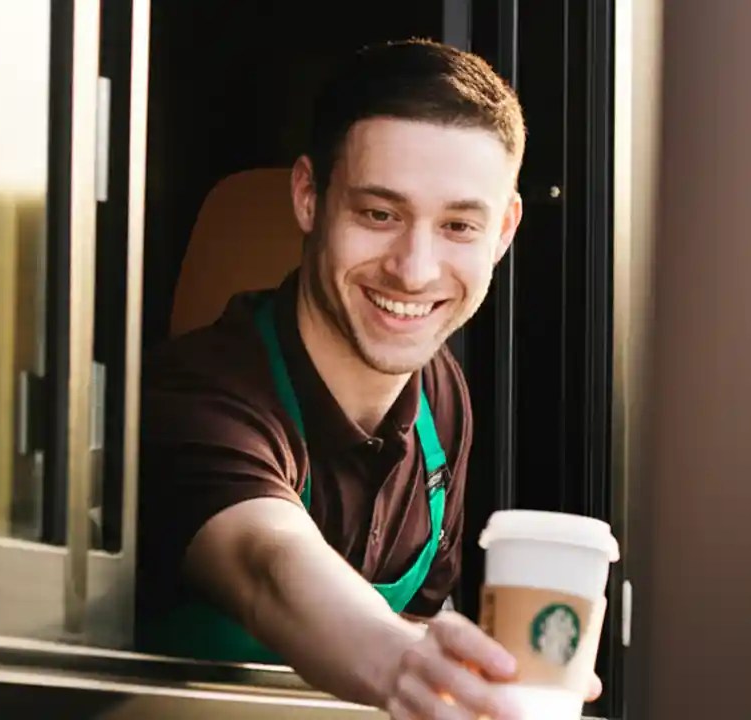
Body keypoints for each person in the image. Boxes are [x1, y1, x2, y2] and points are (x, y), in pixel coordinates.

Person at [137, 39, 597, 718]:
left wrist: (489, 677)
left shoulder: (444, 400)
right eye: (379, 214)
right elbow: (270, 566)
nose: (414, 270)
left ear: (504, 231)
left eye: (459, 226)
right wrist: (403, 658)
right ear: (308, 196)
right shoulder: (199, 394)